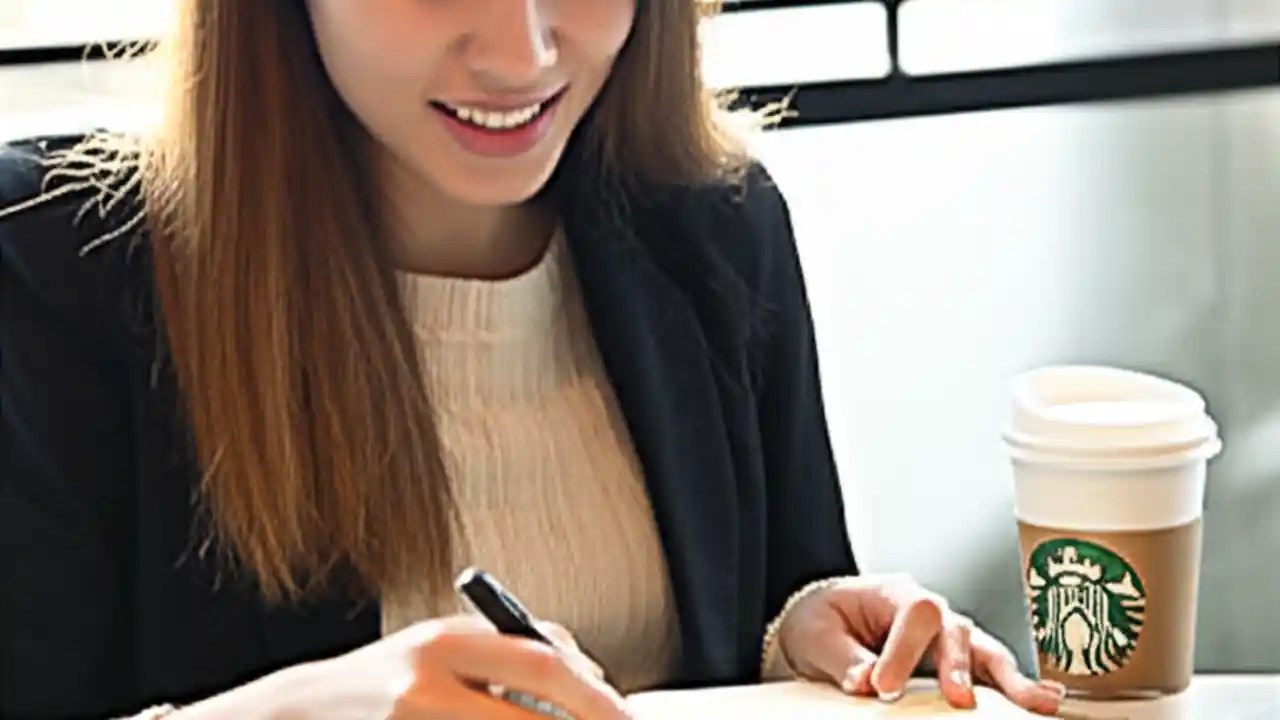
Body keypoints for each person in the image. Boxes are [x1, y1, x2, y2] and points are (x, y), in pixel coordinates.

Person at [0, 1, 1067, 718]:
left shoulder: (715, 228)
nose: (522, 54)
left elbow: (759, 618)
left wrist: (794, 648)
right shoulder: (55, 263)